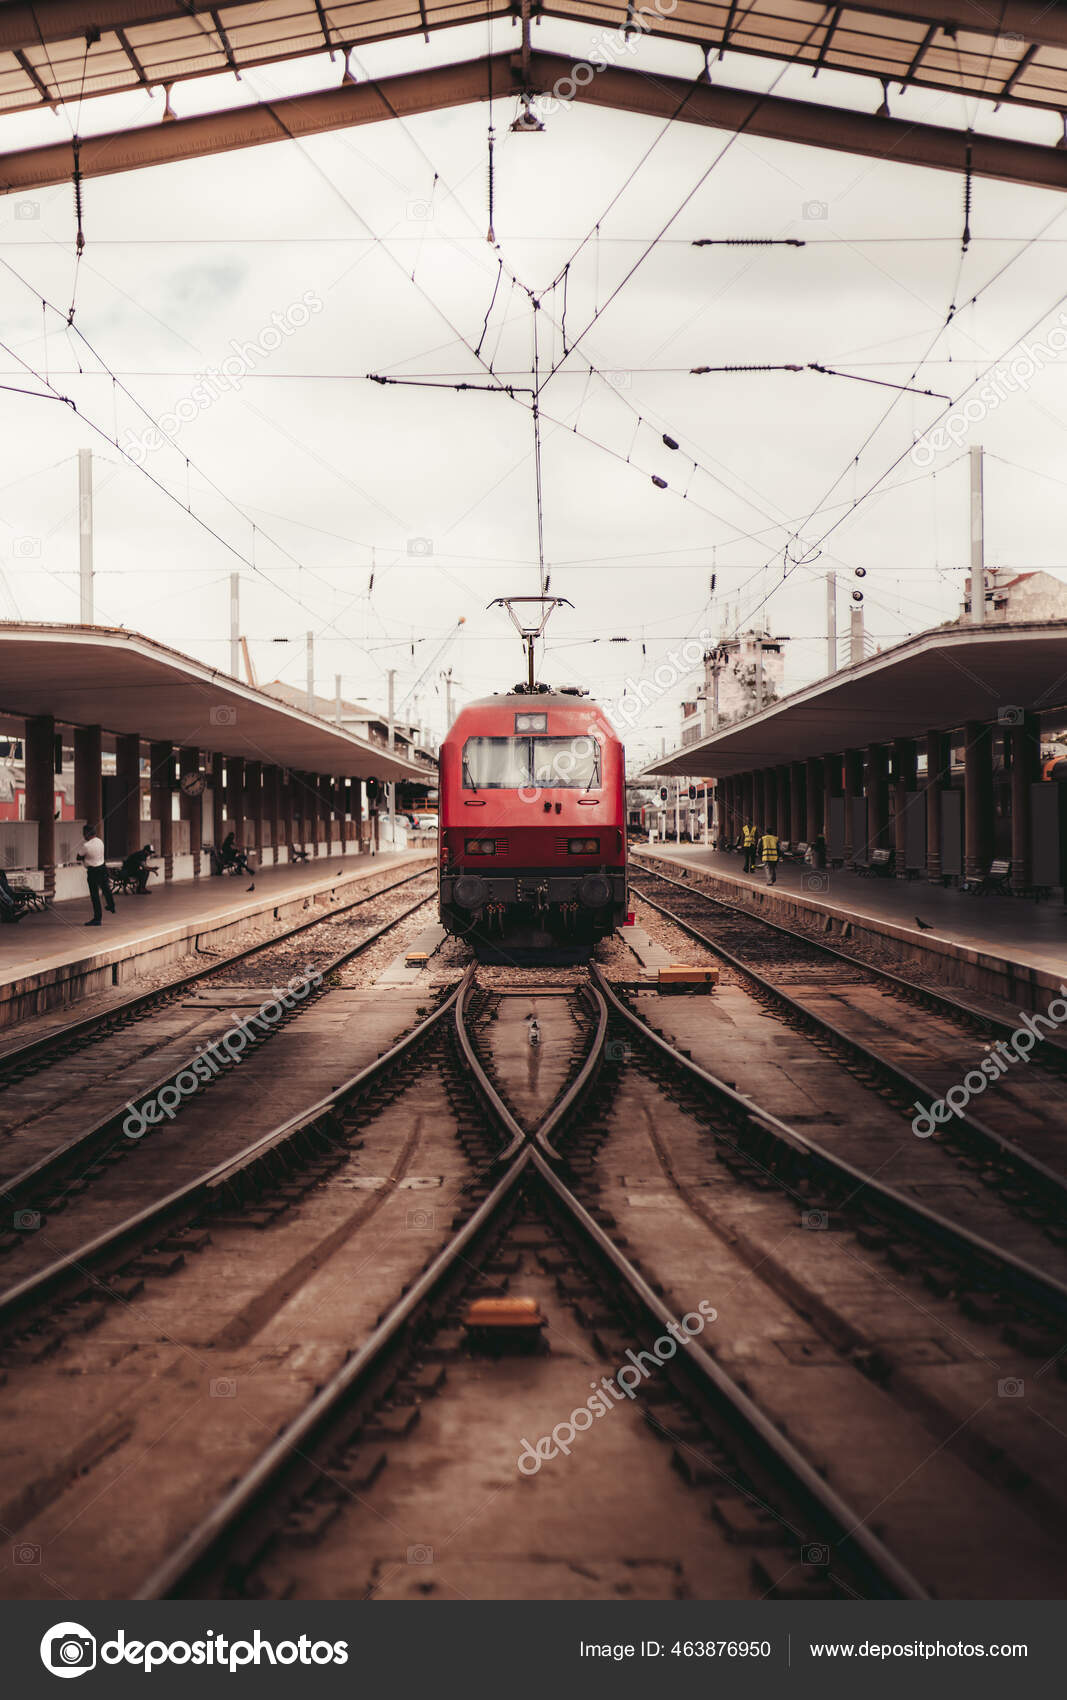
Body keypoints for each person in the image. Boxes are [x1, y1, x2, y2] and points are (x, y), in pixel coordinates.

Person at [76, 823, 115, 926]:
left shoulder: (86, 845)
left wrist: (85, 858)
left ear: (86, 834)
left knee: (95, 895)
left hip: (93, 871)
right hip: (102, 868)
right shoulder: (100, 841)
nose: (83, 836)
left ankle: (97, 919)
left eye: (83, 833)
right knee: (106, 888)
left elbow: (78, 857)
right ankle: (111, 906)